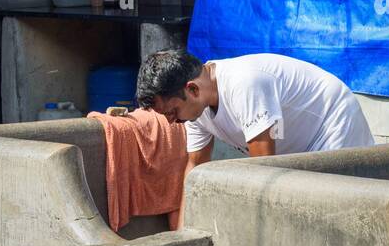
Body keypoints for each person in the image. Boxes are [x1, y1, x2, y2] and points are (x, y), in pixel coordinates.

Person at [135, 49, 375, 222]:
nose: (172, 121)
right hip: (294, 144)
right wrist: (183, 233)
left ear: (192, 89)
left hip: (332, 122)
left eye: (172, 112)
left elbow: (262, 170)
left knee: (337, 213)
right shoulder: (193, 112)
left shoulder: (244, 84)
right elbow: (195, 167)